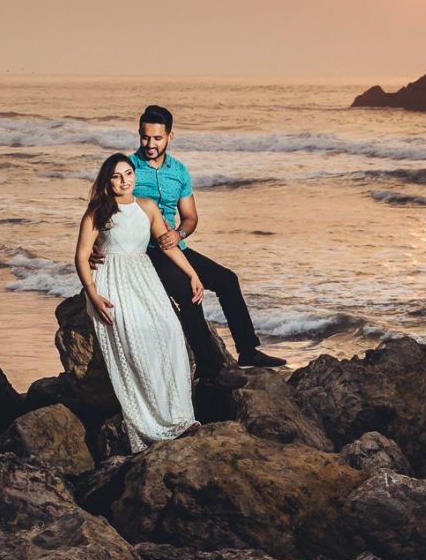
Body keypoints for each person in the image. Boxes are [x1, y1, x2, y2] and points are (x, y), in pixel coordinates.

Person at [95, 104, 286, 387]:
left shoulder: (180, 172)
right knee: (189, 292)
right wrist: (96, 247)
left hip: (174, 247)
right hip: (143, 253)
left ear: (170, 136)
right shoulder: (127, 169)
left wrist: (180, 234)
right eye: (146, 137)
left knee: (227, 280)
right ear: (139, 134)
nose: (150, 144)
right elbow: (102, 208)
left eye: (157, 138)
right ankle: (210, 370)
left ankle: (247, 351)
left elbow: (191, 217)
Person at [74, 152, 203, 451]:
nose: (124, 181)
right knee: (136, 335)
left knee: (170, 329)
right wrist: (92, 293)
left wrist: (192, 274)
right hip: (112, 278)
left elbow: (168, 245)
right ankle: (152, 423)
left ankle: (181, 418)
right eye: (117, 176)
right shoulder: (98, 211)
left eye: (128, 174)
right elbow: (81, 256)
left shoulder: (147, 207)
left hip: (143, 275)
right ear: (107, 181)